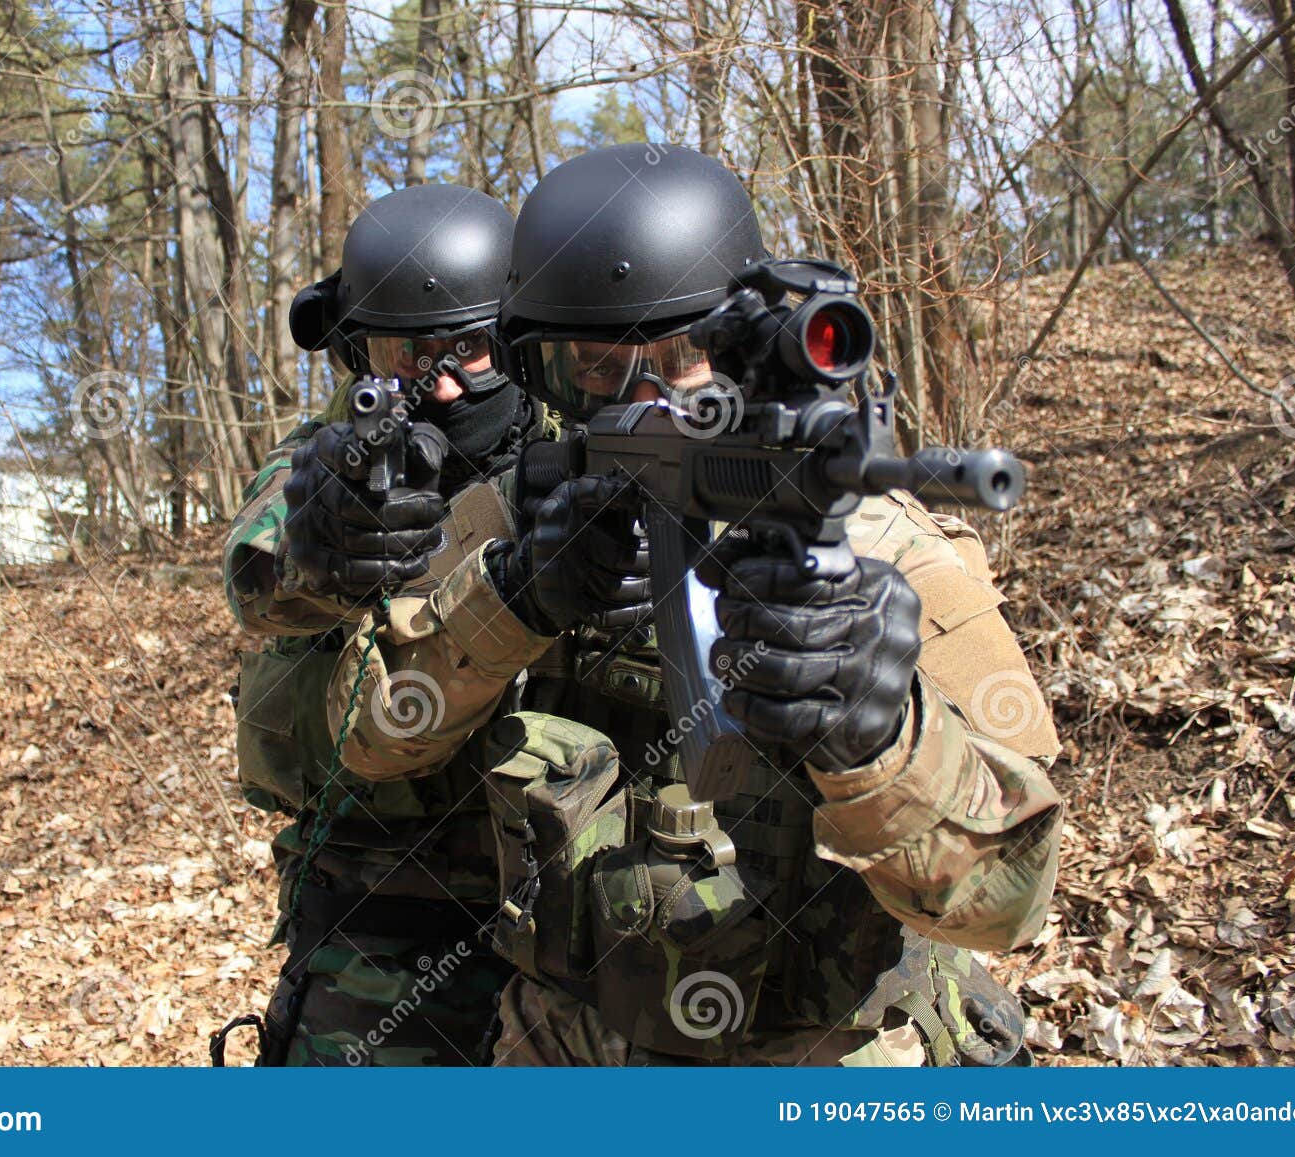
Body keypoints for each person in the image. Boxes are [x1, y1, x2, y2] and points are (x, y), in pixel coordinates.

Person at [319, 143, 1066, 1066]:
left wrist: (881, 738)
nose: (640, 403)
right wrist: (510, 598)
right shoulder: (512, 515)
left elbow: (1012, 899)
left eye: (678, 360)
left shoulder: (881, 548)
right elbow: (367, 736)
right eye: (591, 368)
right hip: (563, 1046)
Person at [218, 183, 548, 1066]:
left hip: (571, 926)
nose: (434, 382)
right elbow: (260, 577)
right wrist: (323, 544)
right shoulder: (327, 457)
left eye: (466, 349)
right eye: (402, 353)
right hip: (381, 929)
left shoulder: (566, 441)